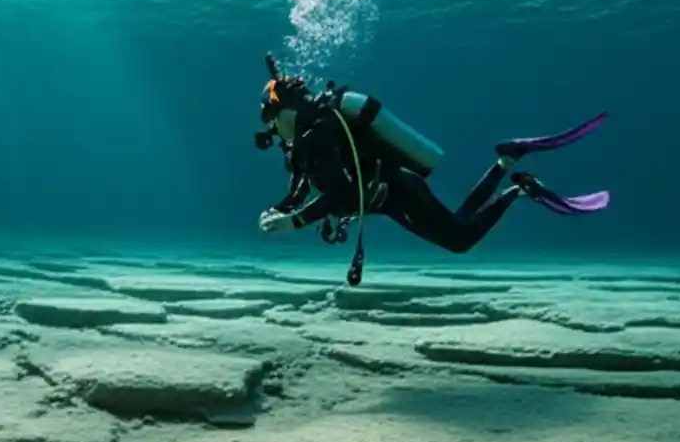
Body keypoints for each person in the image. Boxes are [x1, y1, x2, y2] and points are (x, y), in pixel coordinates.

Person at [252, 53, 608, 285]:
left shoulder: (323, 133)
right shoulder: (299, 148)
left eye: (270, 120)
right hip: (391, 198)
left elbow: (342, 193)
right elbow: (299, 188)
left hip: (401, 190)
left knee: (460, 240)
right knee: (460, 222)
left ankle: (519, 188)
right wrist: (280, 210)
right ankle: (505, 163)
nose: (270, 130)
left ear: (285, 111)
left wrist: (295, 221)